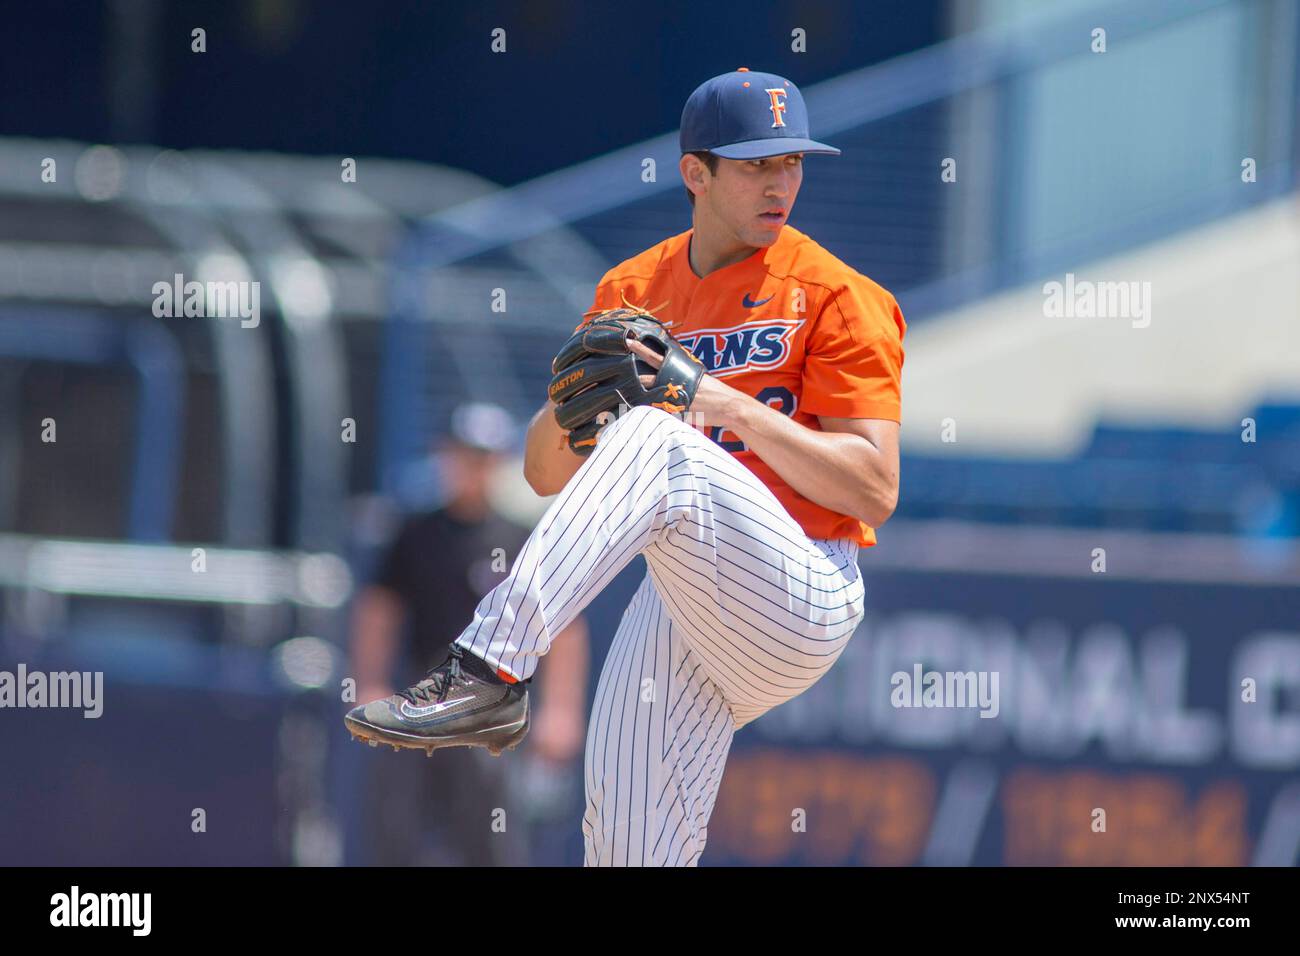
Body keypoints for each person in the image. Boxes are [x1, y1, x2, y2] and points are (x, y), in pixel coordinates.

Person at [346, 69, 905, 866]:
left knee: (660, 441)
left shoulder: (836, 295)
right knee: (625, 843)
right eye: (756, 164)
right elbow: (543, 473)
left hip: (802, 588)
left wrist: (715, 400)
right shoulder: (633, 291)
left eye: (793, 162)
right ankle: (495, 676)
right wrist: (569, 405)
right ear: (695, 173)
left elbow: (875, 487)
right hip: (691, 596)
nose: (781, 182)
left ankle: (489, 670)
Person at [349, 401, 588, 865]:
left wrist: (561, 710)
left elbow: (562, 626)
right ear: (446, 456)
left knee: (492, 830)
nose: (472, 468)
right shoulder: (416, 532)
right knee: (399, 825)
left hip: (491, 698)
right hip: (420, 694)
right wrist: (368, 682)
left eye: (483, 457)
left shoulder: (521, 538)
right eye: (463, 455)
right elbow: (379, 609)